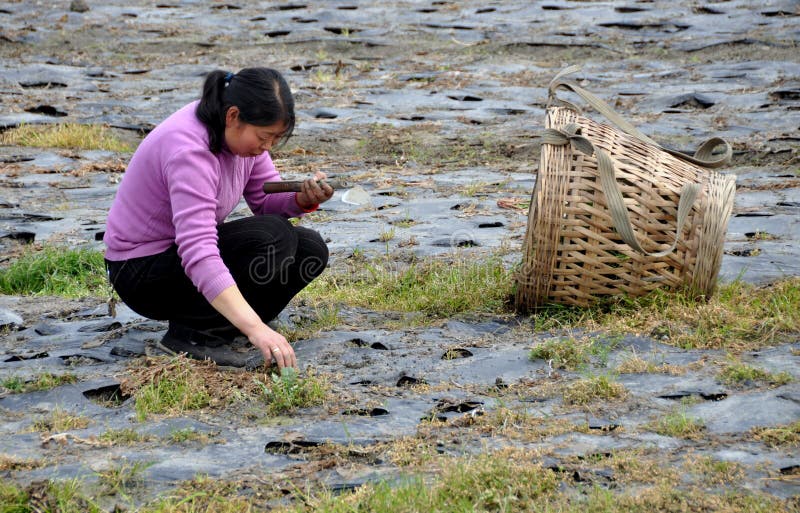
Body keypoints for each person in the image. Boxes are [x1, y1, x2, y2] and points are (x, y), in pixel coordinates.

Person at [103, 67, 333, 370]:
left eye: (275, 139)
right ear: (233, 116)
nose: (268, 148)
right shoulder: (189, 150)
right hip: (141, 272)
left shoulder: (239, 138)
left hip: (176, 261)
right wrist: (256, 328)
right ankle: (195, 336)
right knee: (273, 237)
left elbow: (264, 201)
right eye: (265, 137)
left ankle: (228, 327)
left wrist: (303, 200)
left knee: (309, 249)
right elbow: (197, 250)